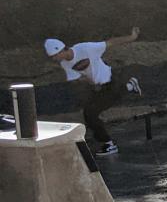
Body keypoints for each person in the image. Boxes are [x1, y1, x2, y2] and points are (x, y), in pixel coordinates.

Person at [44, 27, 143, 156]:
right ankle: (130, 86)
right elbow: (77, 78)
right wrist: (87, 82)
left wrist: (132, 37)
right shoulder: (65, 64)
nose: (55, 59)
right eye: (52, 57)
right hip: (99, 87)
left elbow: (110, 42)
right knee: (94, 109)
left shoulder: (85, 48)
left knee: (90, 114)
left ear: (61, 49)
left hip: (110, 80)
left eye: (55, 56)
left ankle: (109, 145)